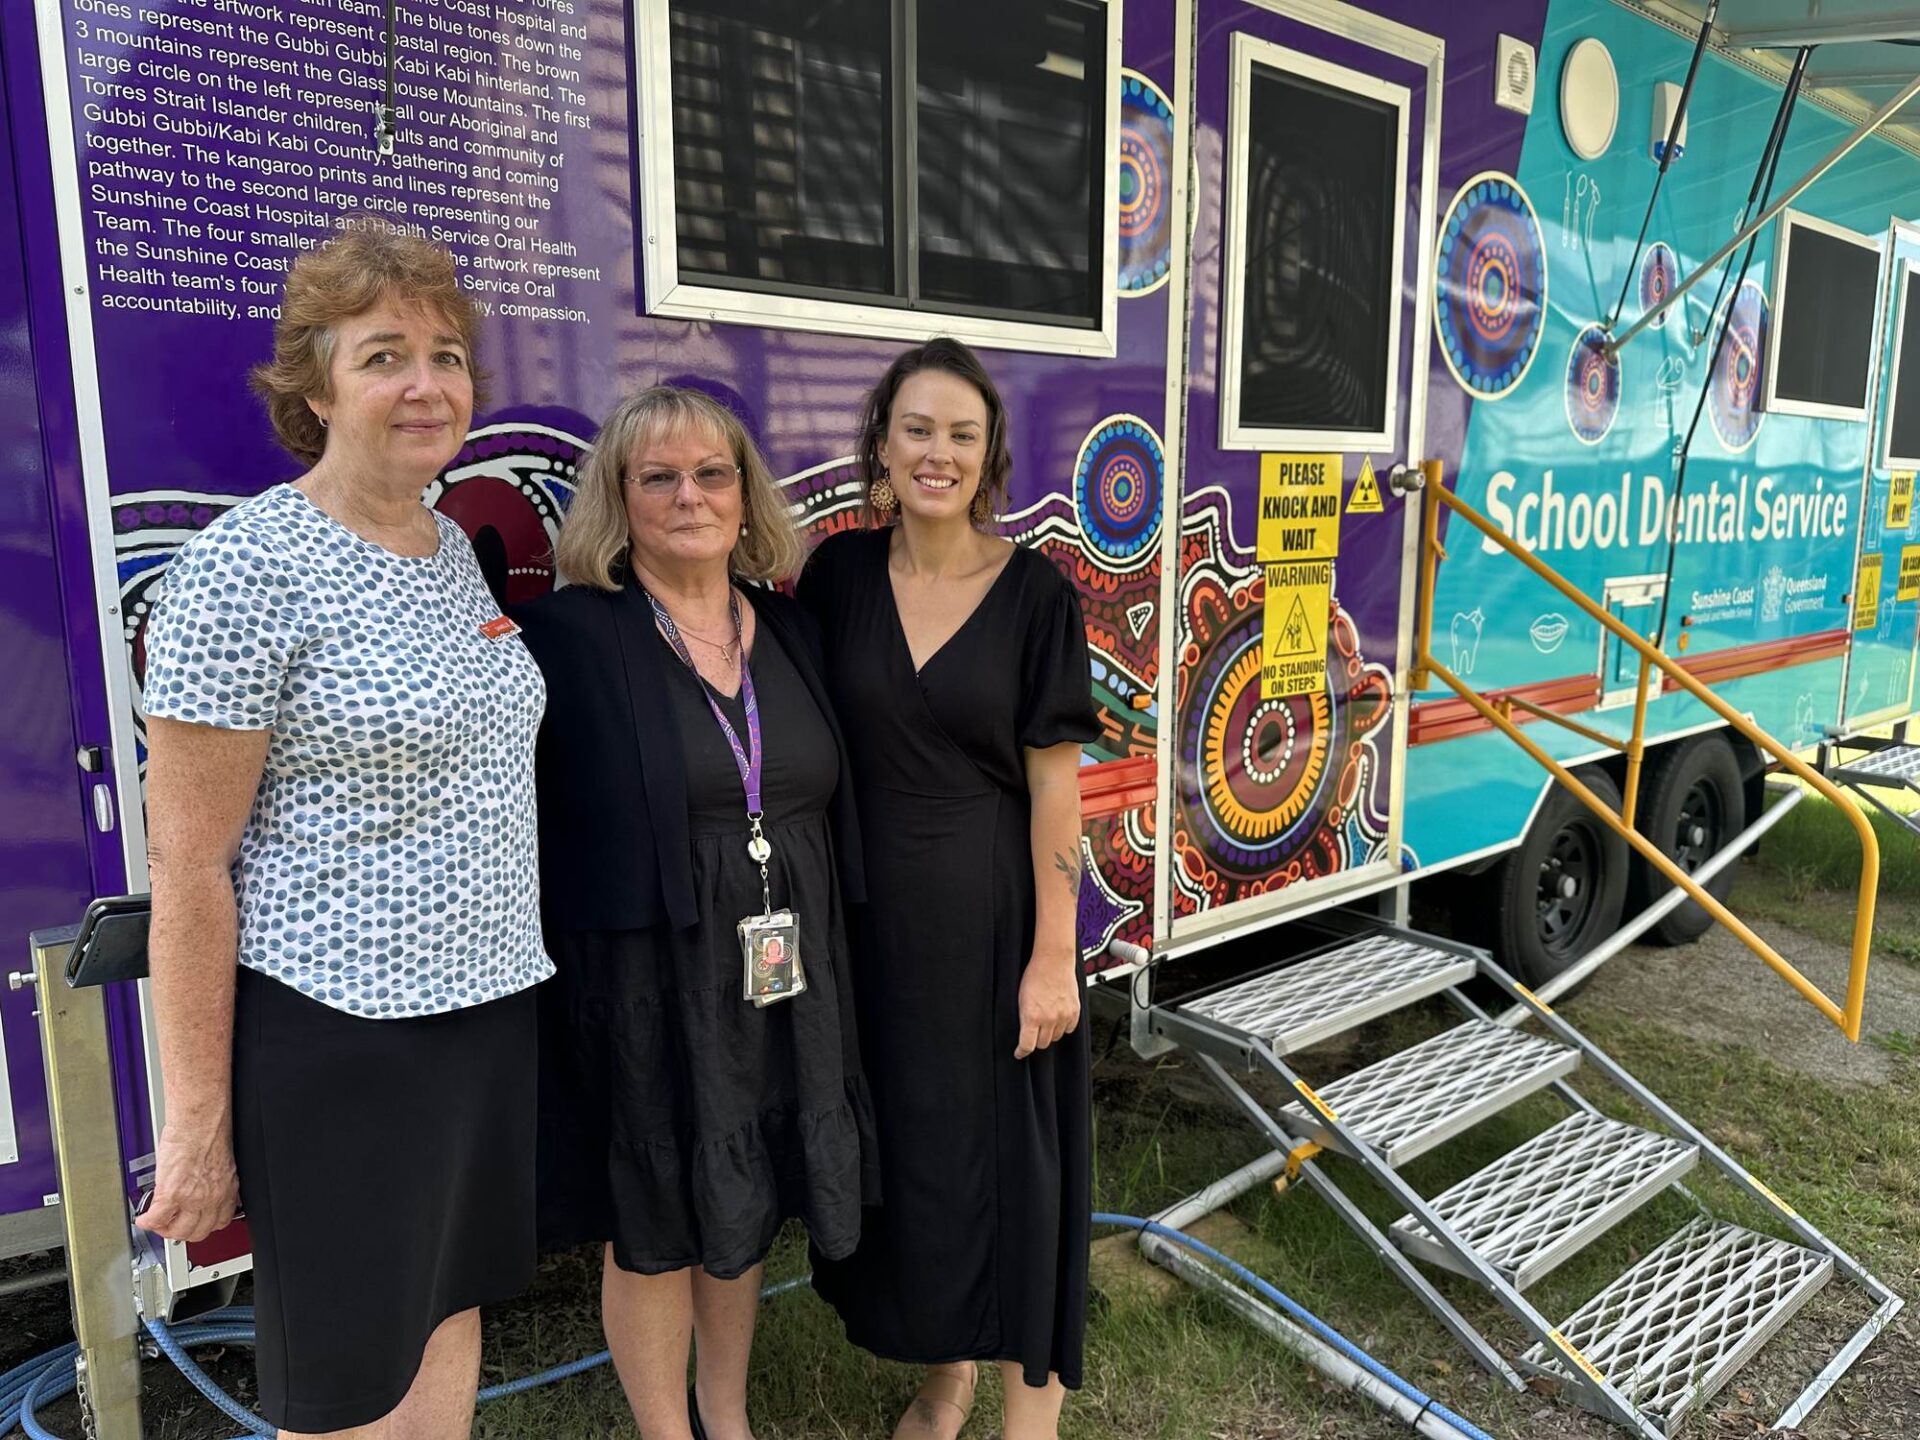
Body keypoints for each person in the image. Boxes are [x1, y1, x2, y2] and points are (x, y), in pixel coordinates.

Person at [138, 220, 549, 1439]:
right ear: (317, 389)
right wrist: (198, 1120)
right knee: (348, 1372)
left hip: (482, 1010)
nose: (426, 383)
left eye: (447, 352)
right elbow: (189, 863)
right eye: (383, 356)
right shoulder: (246, 567)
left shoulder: (447, 555)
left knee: (446, 1312)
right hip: (342, 1031)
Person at [514, 385, 877, 1440]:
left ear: (744, 492)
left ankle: (726, 1413)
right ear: (618, 501)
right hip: (648, 976)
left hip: (786, 962)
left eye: (712, 473)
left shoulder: (796, 629)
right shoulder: (567, 638)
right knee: (657, 1217)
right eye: (658, 476)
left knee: (745, 1186)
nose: (689, 495)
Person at [800, 338, 1098, 1440]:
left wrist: (1053, 956)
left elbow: (1057, 797)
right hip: (870, 934)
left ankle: (1030, 1420)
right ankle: (945, 1377)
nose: (938, 453)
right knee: (918, 1165)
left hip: (994, 927)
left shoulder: (1033, 596)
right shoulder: (835, 577)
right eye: (917, 429)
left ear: (990, 456)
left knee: (1018, 1174)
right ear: (881, 442)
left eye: (961, 435)